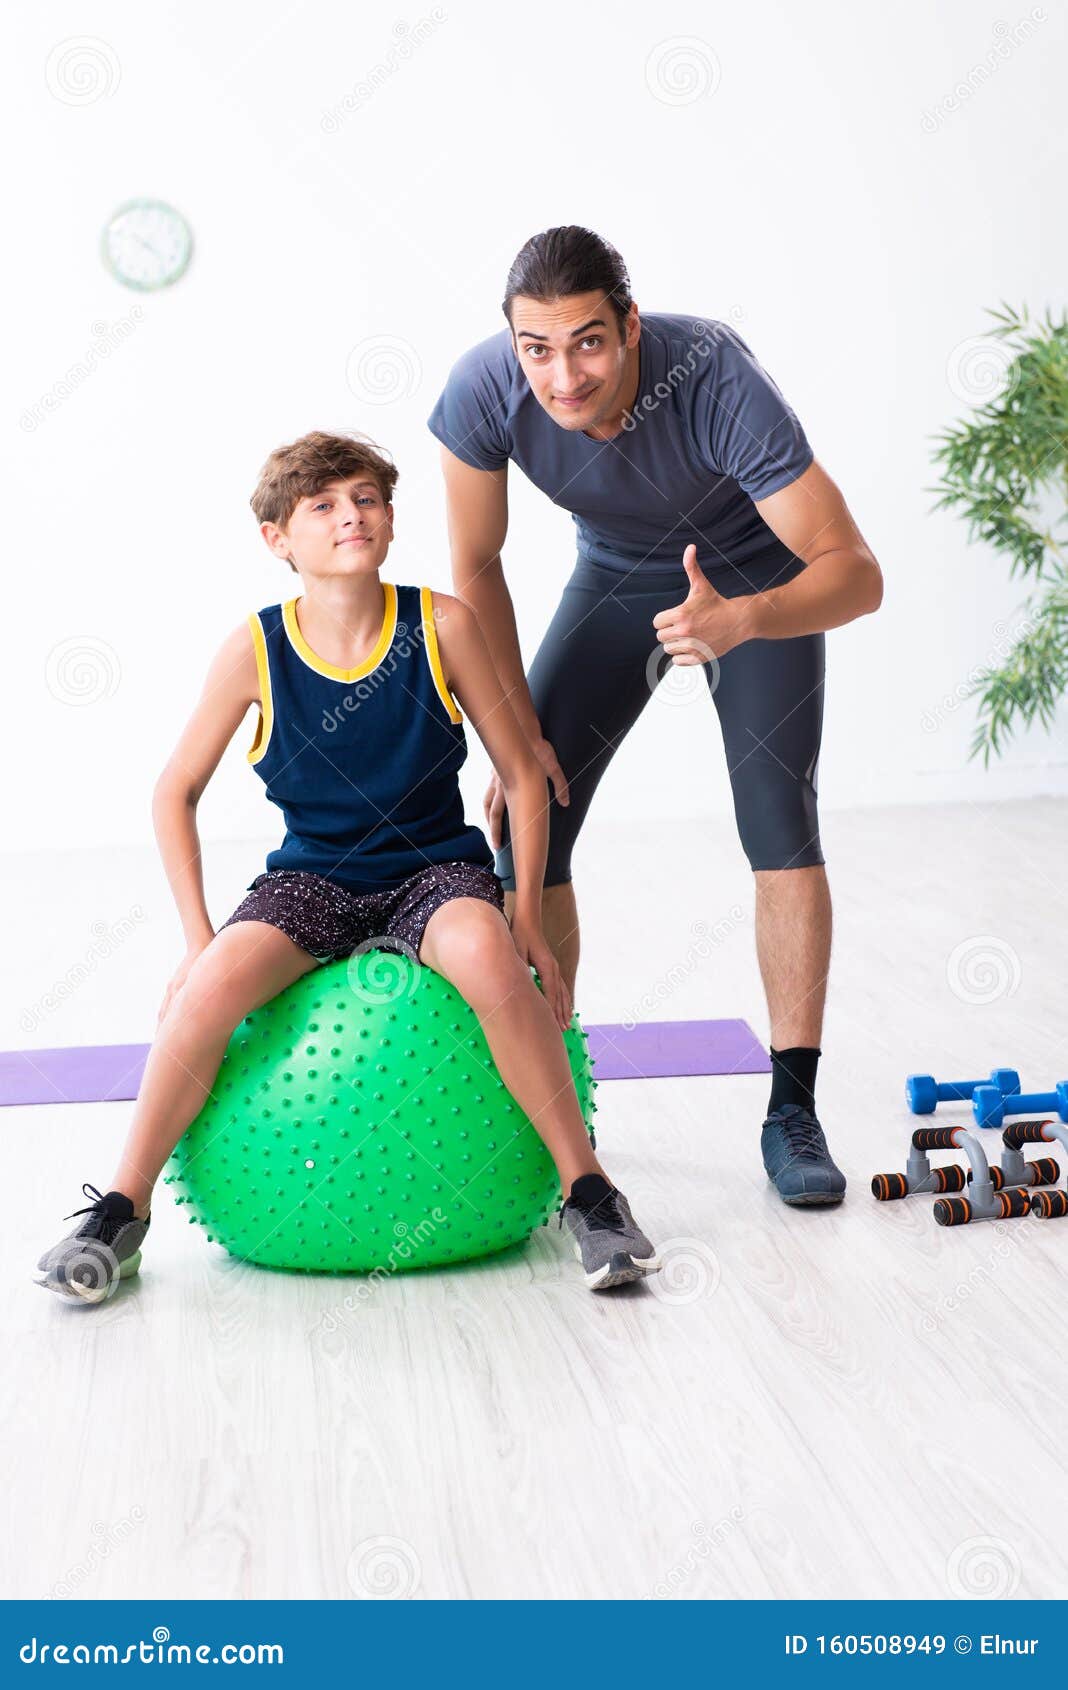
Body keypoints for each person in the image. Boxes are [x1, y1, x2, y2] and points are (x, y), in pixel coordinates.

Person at [35, 429, 659, 1303]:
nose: (350, 516)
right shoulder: (253, 650)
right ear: (278, 540)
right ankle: (121, 1212)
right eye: (322, 505)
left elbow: (521, 773)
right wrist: (195, 939)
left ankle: (591, 1196)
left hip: (434, 870)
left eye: (365, 498)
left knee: (484, 958)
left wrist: (522, 917)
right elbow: (172, 792)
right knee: (211, 987)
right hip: (313, 878)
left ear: (392, 521)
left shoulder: (442, 624)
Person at [428, 226, 884, 1207]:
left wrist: (745, 616)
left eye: (588, 342)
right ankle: (556, 1095)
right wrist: (513, 734)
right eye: (536, 349)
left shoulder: (715, 379)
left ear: (630, 326)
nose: (562, 377)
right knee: (529, 820)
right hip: (616, 576)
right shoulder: (482, 389)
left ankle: (792, 1108)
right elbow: (474, 568)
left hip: (758, 577)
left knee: (777, 820)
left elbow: (856, 575)